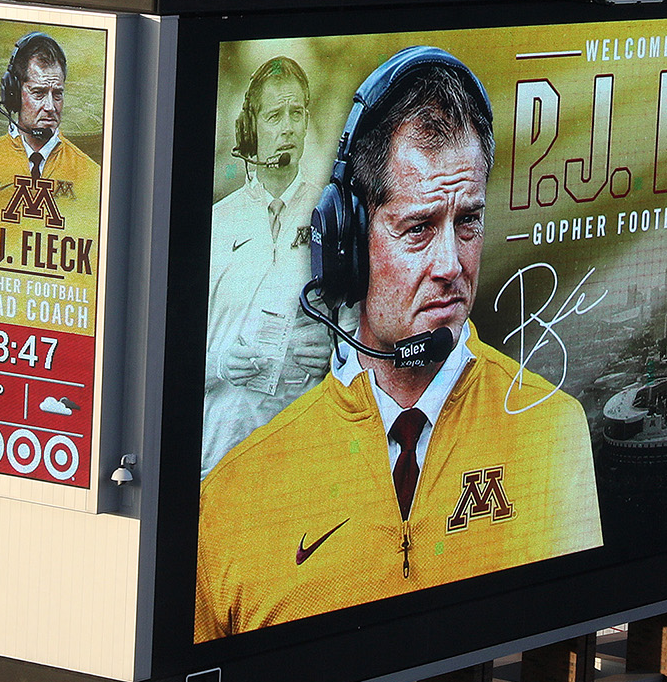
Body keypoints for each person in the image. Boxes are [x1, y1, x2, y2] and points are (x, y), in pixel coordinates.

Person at [195, 48, 601, 642]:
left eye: (467, 222)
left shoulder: (554, 435)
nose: (450, 265)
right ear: (348, 241)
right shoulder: (236, 494)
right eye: (418, 229)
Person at [200, 56, 327, 474]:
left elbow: (370, 338)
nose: (288, 127)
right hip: (222, 453)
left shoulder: (333, 212)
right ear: (251, 130)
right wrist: (220, 362)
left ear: (308, 122)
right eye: (275, 116)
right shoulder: (218, 223)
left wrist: (336, 352)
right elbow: (169, 358)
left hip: (300, 456)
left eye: (296, 114)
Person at [0, 32, 99, 222]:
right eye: (39, 93)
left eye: (58, 94)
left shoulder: (91, 175)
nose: (51, 107)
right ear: (13, 94)